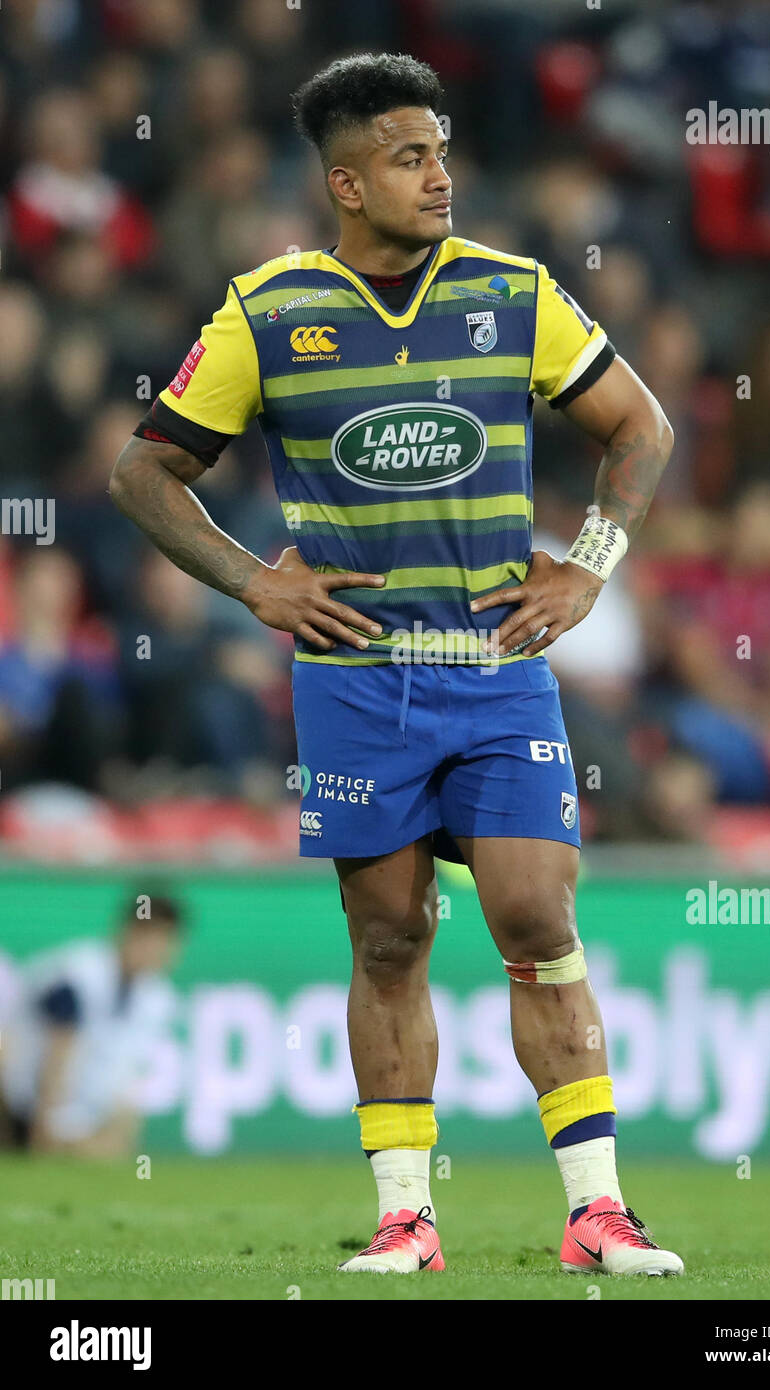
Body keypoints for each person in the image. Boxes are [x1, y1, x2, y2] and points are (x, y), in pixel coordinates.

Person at [110, 53, 680, 1277]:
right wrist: (253, 580)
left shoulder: (514, 294)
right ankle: (405, 1219)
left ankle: (597, 1212)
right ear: (347, 183)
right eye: (412, 156)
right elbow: (142, 471)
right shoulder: (265, 313)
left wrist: (586, 562)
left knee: (534, 912)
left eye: (443, 149)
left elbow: (641, 424)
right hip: (354, 676)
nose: (441, 174)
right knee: (386, 940)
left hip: (493, 663)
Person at [0, 894, 181, 1156]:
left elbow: (127, 1078)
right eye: (149, 938)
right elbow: (57, 1054)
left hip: (81, 1117)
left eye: (165, 941)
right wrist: (44, 1130)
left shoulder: (156, 999)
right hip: (23, 1105)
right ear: (127, 932)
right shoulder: (80, 974)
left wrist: (116, 1136)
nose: (155, 949)